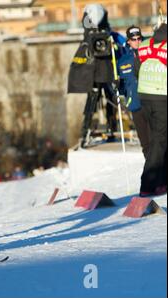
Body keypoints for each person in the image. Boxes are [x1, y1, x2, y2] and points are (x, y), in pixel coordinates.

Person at [68, 4, 126, 147]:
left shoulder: (110, 35)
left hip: (106, 69)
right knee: (95, 98)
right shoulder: (88, 36)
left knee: (110, 97)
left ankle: (111, 128)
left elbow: (123, 43)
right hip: (96, 71)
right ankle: (87, 131)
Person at [137, 23, 167, 197]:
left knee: (160, 140)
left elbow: (137, 67)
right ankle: (147, 185)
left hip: (145, 95)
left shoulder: (145, 44)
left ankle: (162, 182)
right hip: (161, 97)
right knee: (159, 142)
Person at [118, 25, 150, 160]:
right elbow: (122, 86)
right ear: (129, 41)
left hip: (151, 102)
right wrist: (118, 86)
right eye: (134, 39)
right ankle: (151, 170)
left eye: (139, 38)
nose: (137, 41)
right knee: (145, 143)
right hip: (135, 104)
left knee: (157, 140)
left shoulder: (149, 53)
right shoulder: (123, 60)